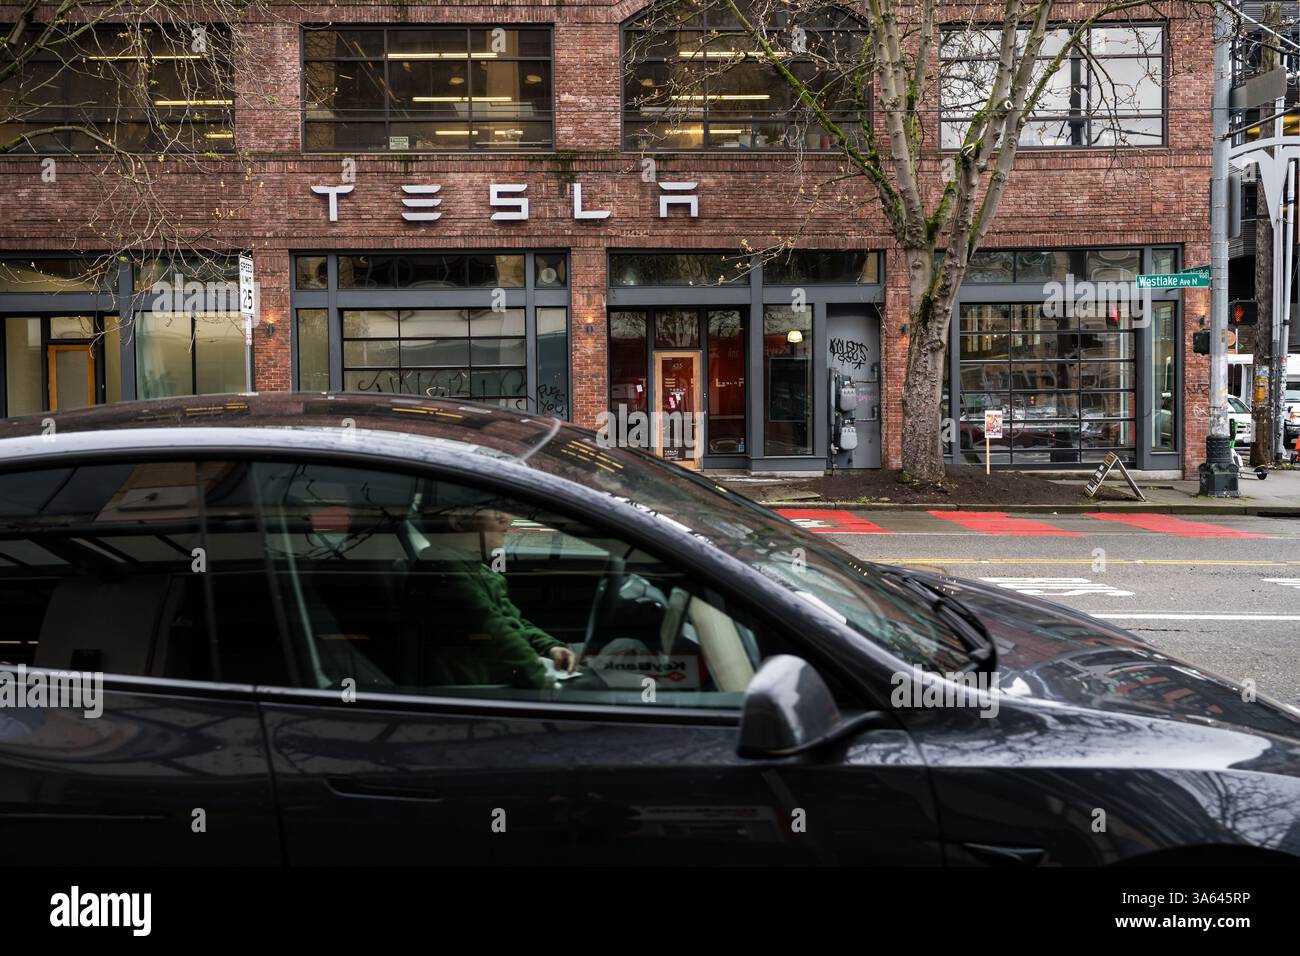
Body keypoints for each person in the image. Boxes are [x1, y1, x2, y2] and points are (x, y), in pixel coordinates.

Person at [424, 507, 576, 690]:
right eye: (496, 513)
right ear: (458, 522)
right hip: (468, 690)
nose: (507, 519)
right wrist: (541, 680)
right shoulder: (441, 565)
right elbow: (492, 627)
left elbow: (511, 621)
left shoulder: (481, 570)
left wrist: (549, 647)